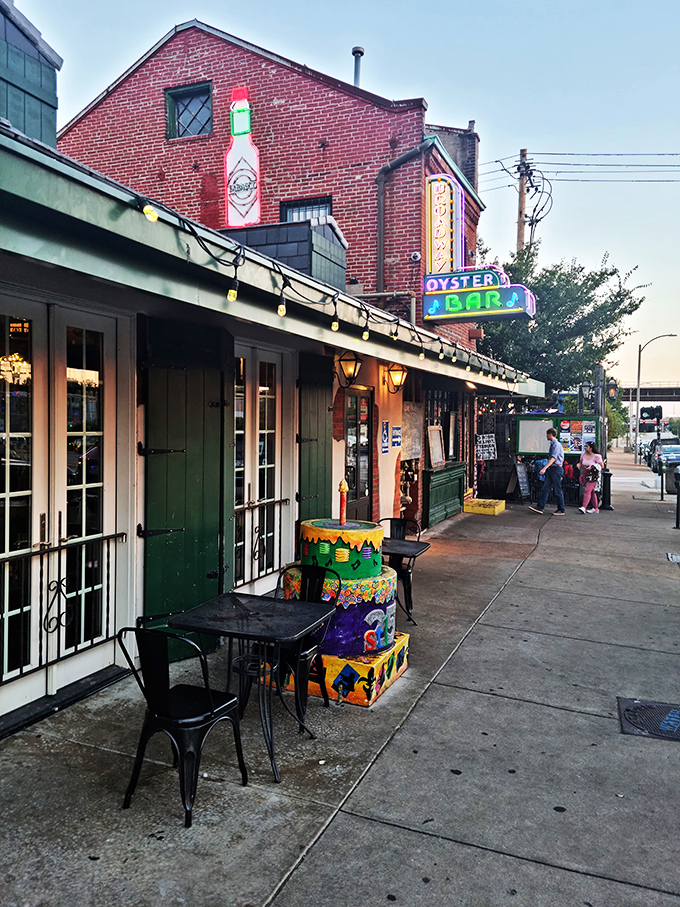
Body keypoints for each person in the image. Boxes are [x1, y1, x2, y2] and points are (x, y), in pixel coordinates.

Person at [529, 428, 566, 515]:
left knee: (557, 490)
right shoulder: (554, 444)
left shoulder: (556, 445)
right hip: (553, 469)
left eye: (547, 434)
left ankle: (561, 509)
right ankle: (540, 507)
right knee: (546, 488)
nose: (546, 436)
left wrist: (544, 468)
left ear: (550, 434)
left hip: (556, 469)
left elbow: (553, 458)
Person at [577, 440, 604, 514]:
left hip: (593, 475)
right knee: (591, 492)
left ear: (591, 448)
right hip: (585, 474)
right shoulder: (583, 455)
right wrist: (579, 465)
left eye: (587, 446)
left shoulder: (597, 456)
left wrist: (592, 467)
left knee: (587, 490)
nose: (585, 448)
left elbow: (601, 466)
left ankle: (584, 507)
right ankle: (595, 508)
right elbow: (581, 463)